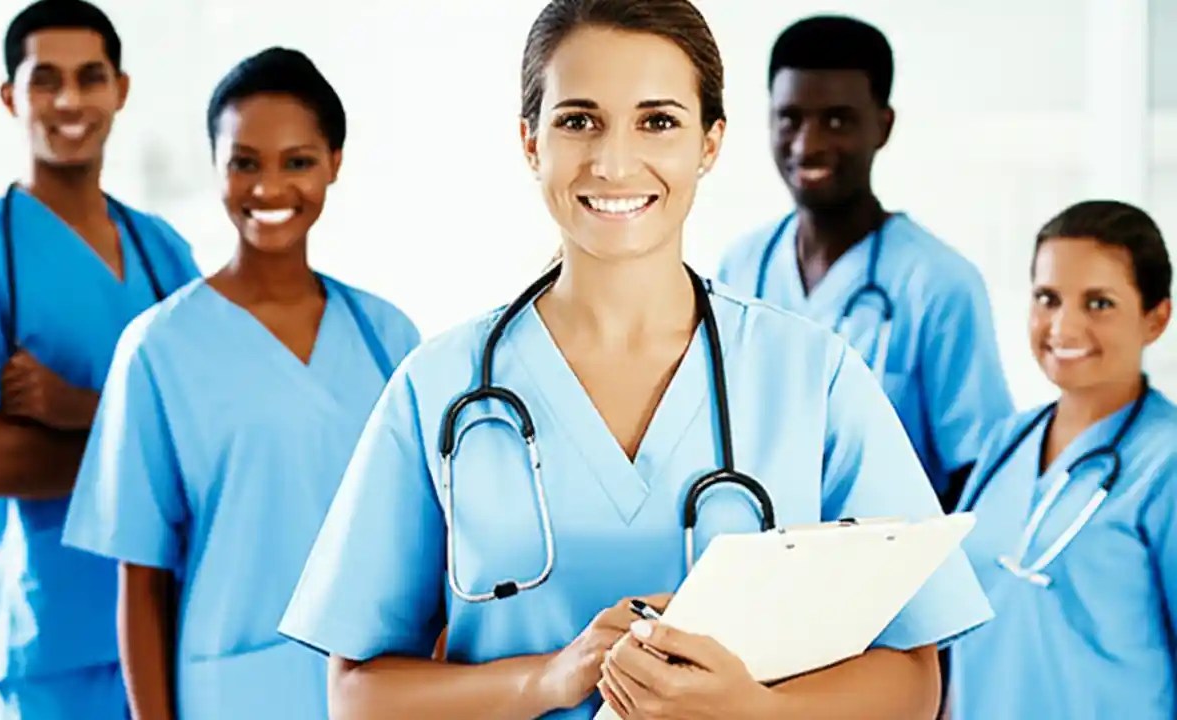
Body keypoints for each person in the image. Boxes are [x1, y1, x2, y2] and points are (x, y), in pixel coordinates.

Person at [277, 1, 991, 718]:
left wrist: (753, 711)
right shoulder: (439, 386)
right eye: (578, 120)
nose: (614, 162)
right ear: (531, 142)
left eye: (658, 121)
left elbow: (912, 677)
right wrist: (547, 679)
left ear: (710, 144)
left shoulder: (811, 376)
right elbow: (356, 694)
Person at [61, 48, 421, 720]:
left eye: (298, 161)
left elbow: (428, 549)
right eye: (244, 162)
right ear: (217, 168)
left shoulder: (389, 337)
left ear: (334, 164)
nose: (270, 187)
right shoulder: (158, 348)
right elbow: (141, 579)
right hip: (228, 694)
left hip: (378, 691)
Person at [0, 1, 200, 717]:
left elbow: (209, 437)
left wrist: (78, 411)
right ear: (10, 97)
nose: (69, 101)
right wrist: (145, 451)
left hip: (175, 627)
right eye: (45, 81)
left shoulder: (165, 253)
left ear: (119, 90)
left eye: (90, 77)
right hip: (52, 649)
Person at [715, 15, 1012, 511]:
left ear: (883, 125)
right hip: (758, 557)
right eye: (790, 117)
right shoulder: (741, 266)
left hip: (891, 569)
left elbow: (977, 473)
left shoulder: (939, 282)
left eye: (837, 120)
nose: (807, 144)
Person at [949, 201, 1176, 720]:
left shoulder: (1164, 464)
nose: (1063, 327)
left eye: (1099, 303)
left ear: (1156, 317)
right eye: (1047, 299)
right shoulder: (1007, 440)